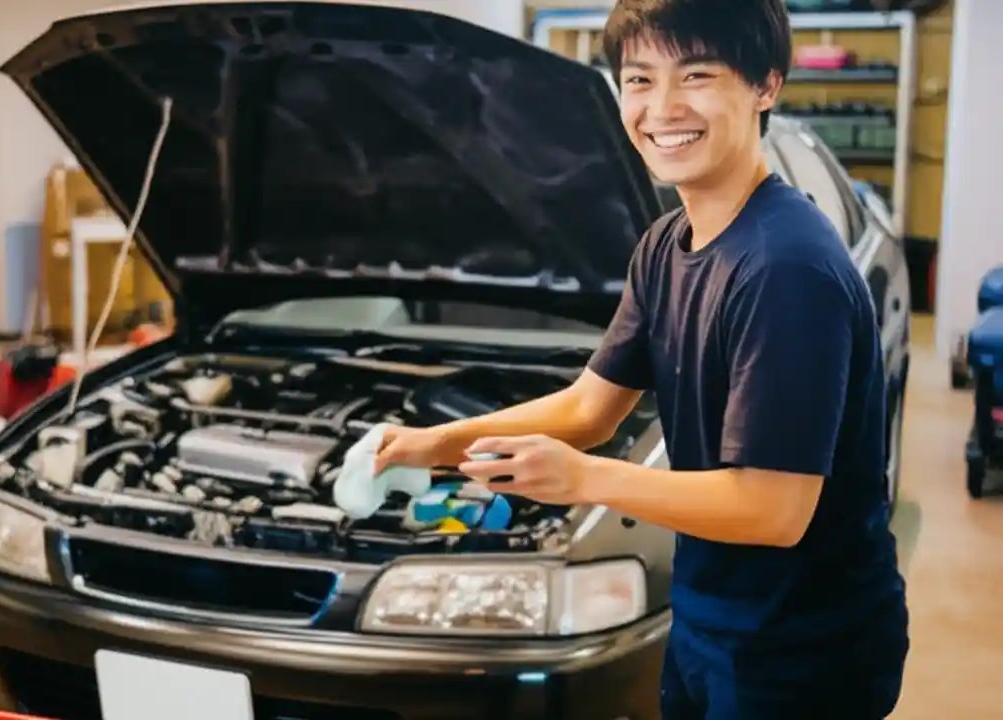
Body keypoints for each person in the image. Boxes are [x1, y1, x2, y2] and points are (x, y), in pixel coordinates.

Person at [373, 0, 909, 717]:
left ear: (765, 87)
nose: (661, 108)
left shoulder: (786, 269)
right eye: (638, 79)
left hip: (804, 650)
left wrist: (586, 478)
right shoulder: (666, 244)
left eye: (696, 75)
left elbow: (774, 509)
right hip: (713, 618)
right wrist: (438, 443)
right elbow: (589, 408)